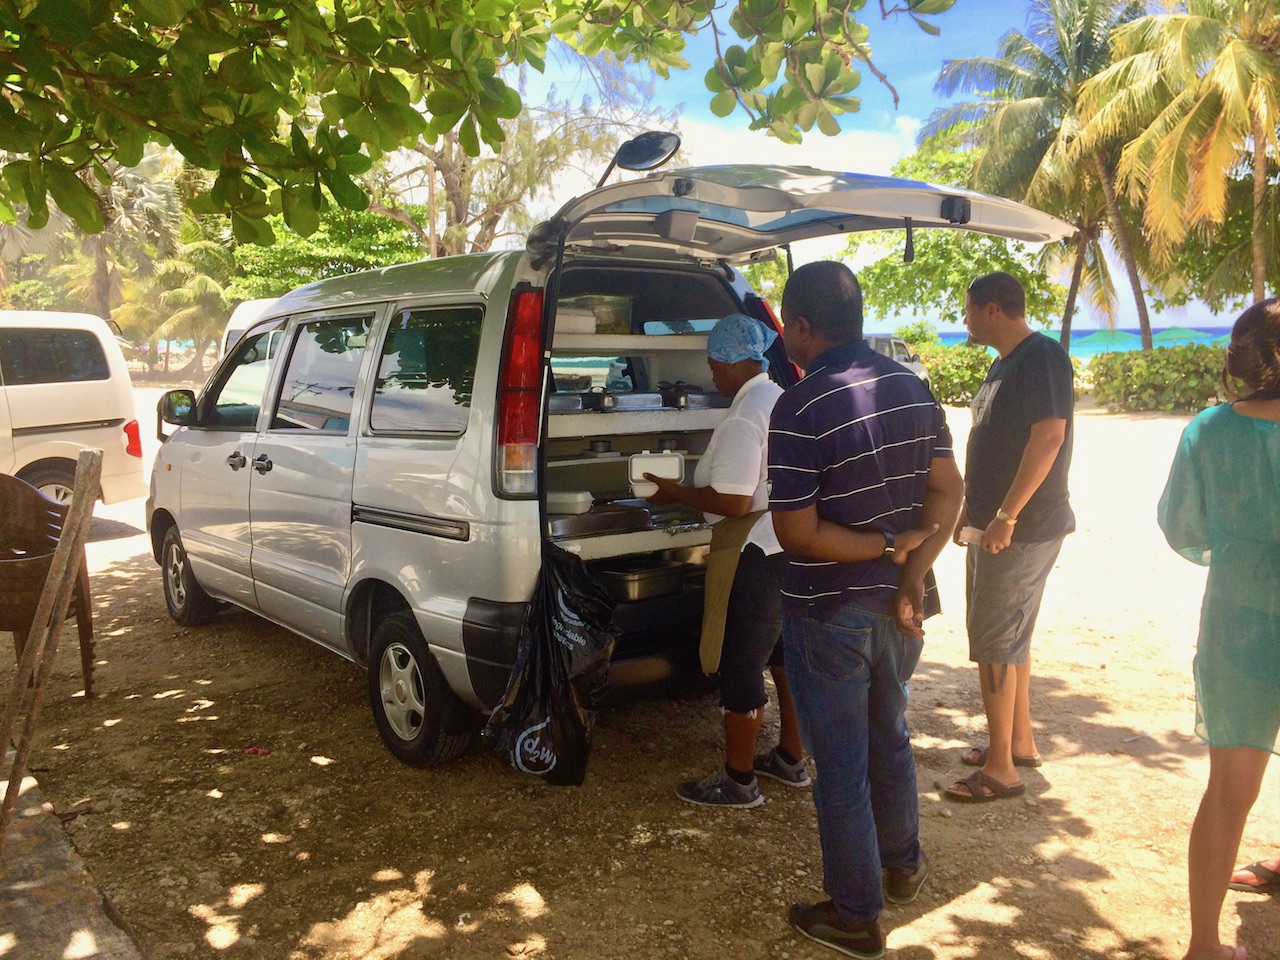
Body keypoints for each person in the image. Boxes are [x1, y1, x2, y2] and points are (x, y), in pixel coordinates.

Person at [768, 261, 962, 959]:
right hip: (900, 607)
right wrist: (912, 574)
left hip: (828, 612)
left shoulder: (798, 407)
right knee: (891, 736)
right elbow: (950, 491)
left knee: (843, 765)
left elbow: (797, 533)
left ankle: (855, 917)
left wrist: (883, 548)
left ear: (801, 327)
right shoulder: (912, 386)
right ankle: (902, 865)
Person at [640, 313, 807, 807]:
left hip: (752, 549)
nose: (711, 373)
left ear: (735, 361)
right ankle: (791, 758)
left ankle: (738, 780)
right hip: (787, 544)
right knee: (783, 657)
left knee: (741, 662)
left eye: (715, 364)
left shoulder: (743, 417)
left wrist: (673, 492)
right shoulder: (780, 398)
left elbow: (733, 501)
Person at [1158, 297, 1280, 960]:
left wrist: (1240, 549)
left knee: (1228, 792)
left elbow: (1183, 527)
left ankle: (1204, 944)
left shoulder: (1208, 430)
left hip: (1239, 621)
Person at [945, 271, 1074, 803]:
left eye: (969, 310)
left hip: (1022, 526)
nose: (966, 320)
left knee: (996, 639)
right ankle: (1018, 743)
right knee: (1008, 636)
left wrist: (1007, 514)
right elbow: (993, 441)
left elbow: (1049, 438)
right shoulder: (1004, 362)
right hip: (994, 522)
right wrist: (973, 510)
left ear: (993, 310)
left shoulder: (1041, 357)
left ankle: (1001, 771)